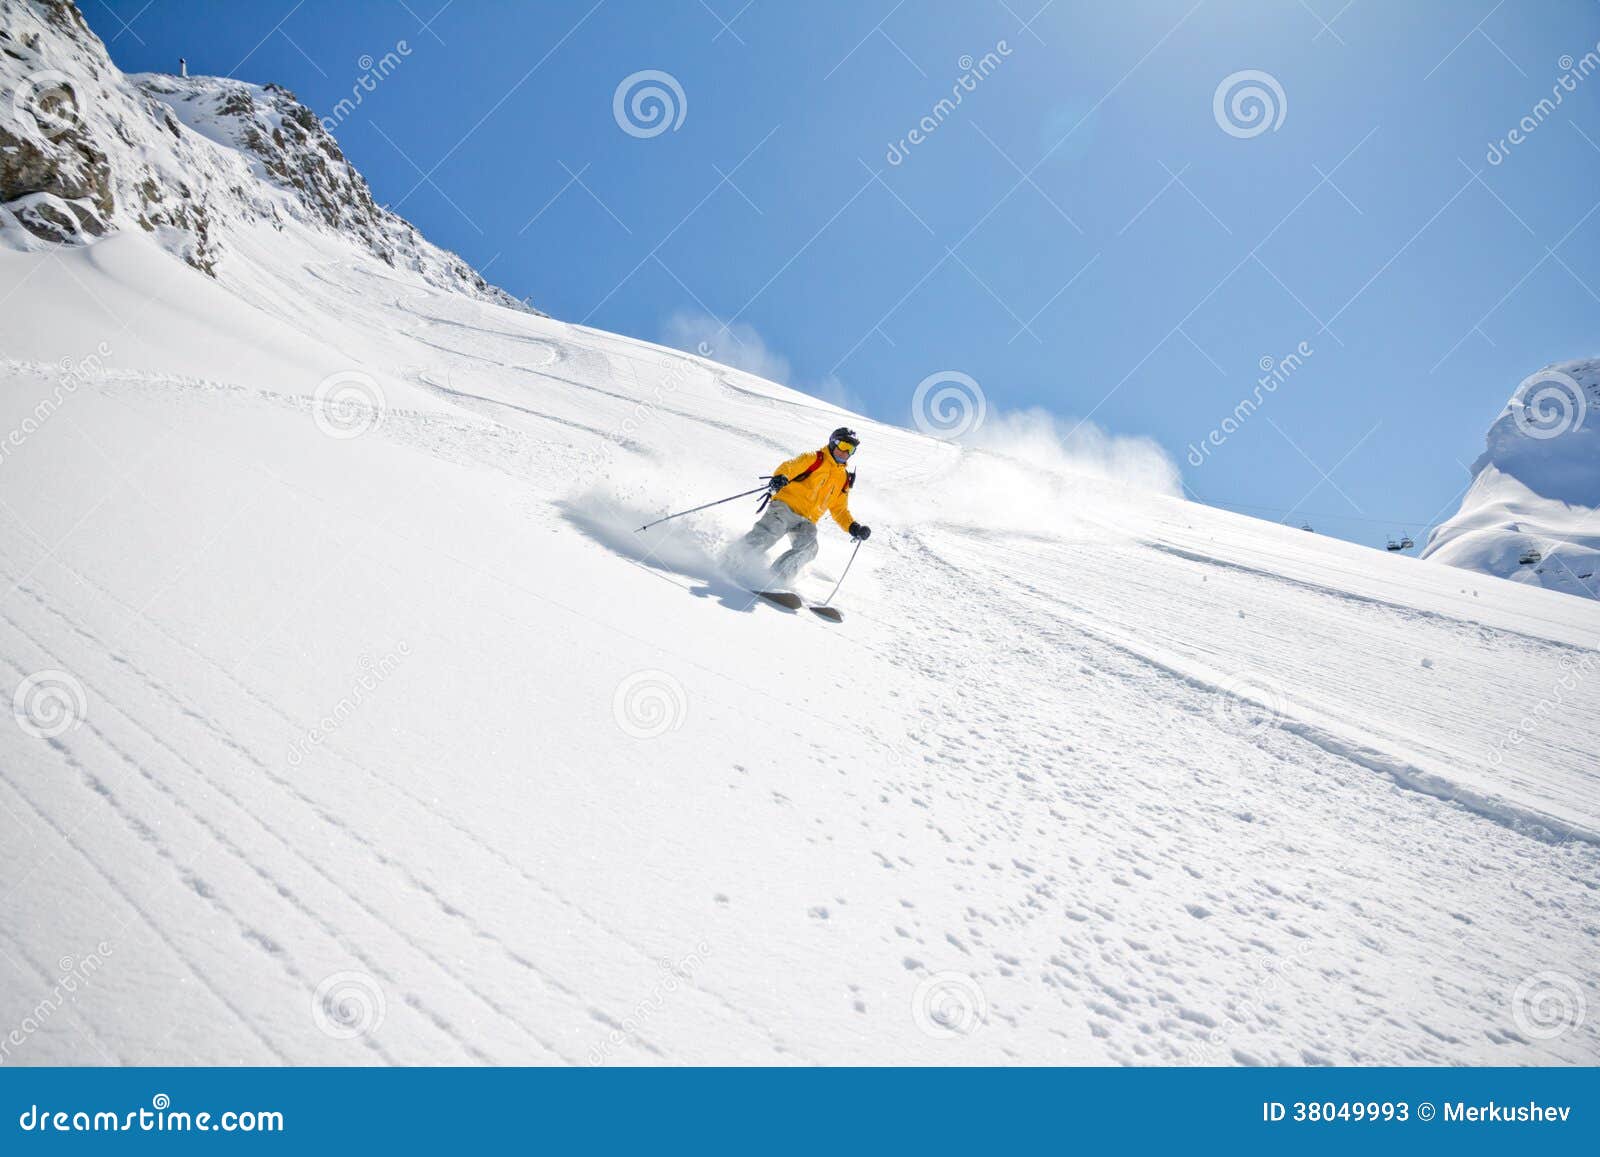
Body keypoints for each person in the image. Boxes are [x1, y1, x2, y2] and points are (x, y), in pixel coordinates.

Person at [739, 427, 871, 586]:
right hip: (785, 507)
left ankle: (774, 581)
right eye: (843, 445)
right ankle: (733, 560)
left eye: (850, 449)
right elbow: (790, 466)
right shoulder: (815, 458)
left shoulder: (843, 478)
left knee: (809, 548)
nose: (845, 452)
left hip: (807, 521)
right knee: (768, 533)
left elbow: (839, 509)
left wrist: (853, 527)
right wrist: (781, 477)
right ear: (833, 443)